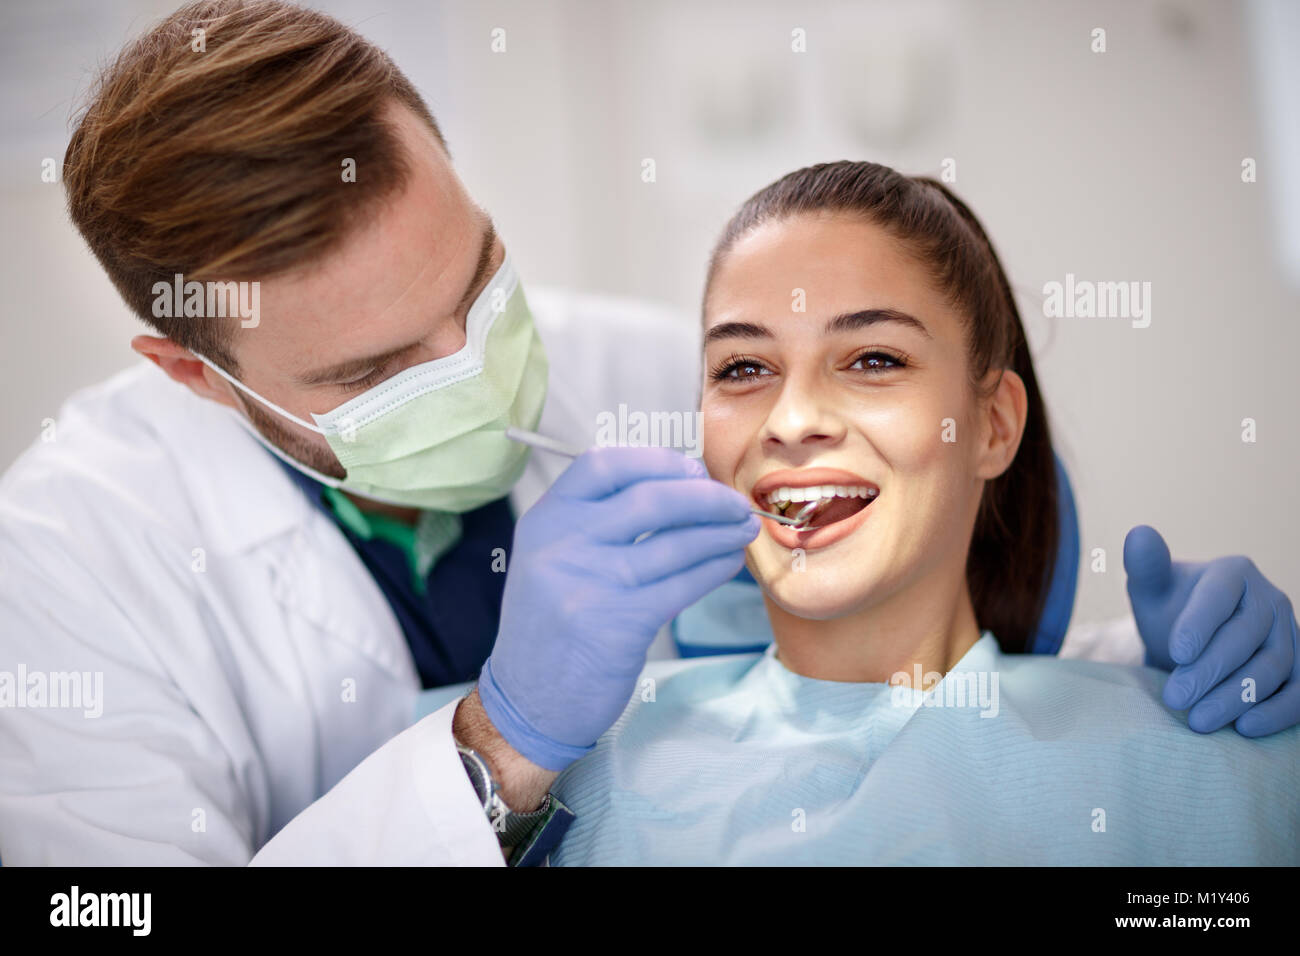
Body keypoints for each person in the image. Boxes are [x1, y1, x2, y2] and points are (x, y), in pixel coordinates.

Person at [0, 0, 1294, 866]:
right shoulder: (69, 562)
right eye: (380, 367)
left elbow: (951, 674)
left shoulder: (646, 373)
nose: (477, 373)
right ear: (197, 374)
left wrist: (1141, 665)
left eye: (477, 286)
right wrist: (497, 750)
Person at [547, 162, 1300, 865]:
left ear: (995, 425)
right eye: (743, 368)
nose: (793, 418)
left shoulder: (1211, 764)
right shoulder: (560, 775)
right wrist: (499, 739)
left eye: (875, 359)